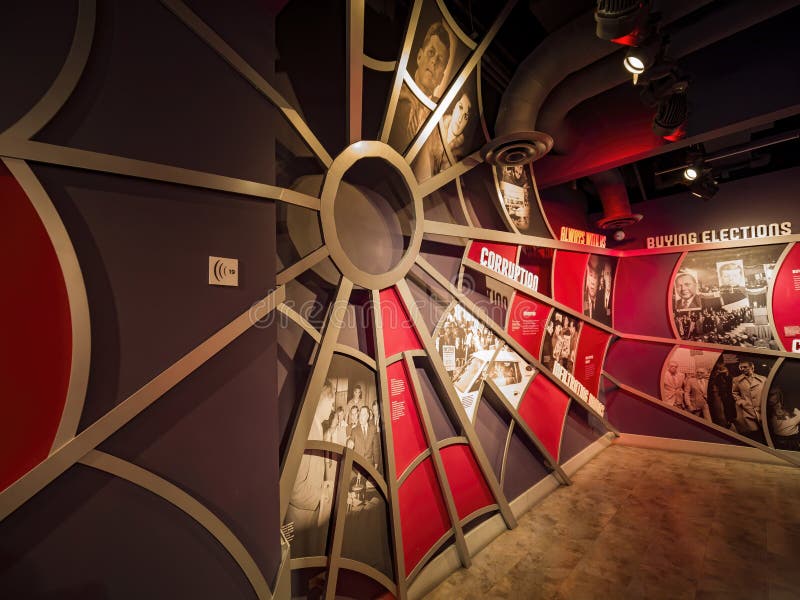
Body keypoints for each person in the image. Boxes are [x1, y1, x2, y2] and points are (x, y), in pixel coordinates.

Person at [285, 381, 336, 556]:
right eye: (331, 402)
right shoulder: (308, 429)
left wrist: (324, 485)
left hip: (307, 518)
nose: (333, 408)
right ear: (322, 399)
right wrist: (320, 495)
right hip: (299, 524)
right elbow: (294, 489)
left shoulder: (316, 426)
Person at [389, 21, 451, 153]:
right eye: (431, 53)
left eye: (440, 59)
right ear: (419, 57)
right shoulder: (394, 91)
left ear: (441, 77)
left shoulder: (441, 120)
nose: (434, 61)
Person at [732, 361, 767, 441]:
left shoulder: (763, 379)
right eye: (741, 367)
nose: (742, 369)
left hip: (762, 410)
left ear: (752, 367)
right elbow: (735, 393)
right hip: (747, 411)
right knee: (754, 434)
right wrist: (741, 402)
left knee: (765, 432)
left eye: (745, 367)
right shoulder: (737, 380)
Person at [351, 406, 381, 471]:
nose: (361, 417)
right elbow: (350, 445)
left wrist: (376, 464)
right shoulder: (354, 430)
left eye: (363, 415)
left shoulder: (373, 429)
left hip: (370, 466)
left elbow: (375, 448)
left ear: (368, 416)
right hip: (357, 466)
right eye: (360, 415)